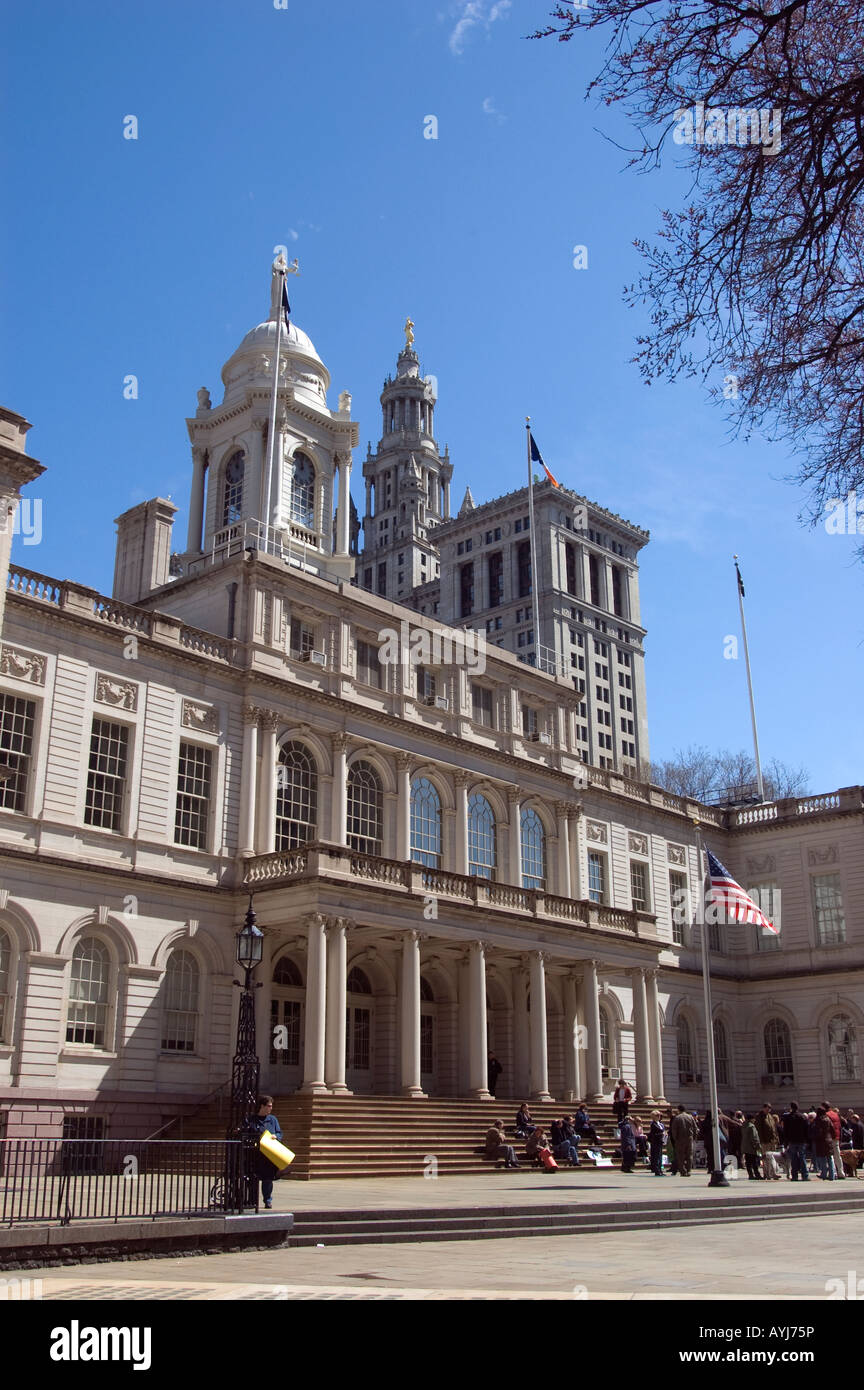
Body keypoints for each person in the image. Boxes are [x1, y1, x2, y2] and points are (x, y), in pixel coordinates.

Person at [249, 1095, 283, 1209]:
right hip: (256, 1154)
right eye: (268, 1106)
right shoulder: (252, 1120)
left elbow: (279, 1133)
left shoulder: (273, 1119)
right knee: (253, 1178)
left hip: (269, 1154)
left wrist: (275, 1136)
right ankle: (251, 1200)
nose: (270, 1108)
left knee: (268, 1179)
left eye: (271, 1106)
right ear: (262, 1106)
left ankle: (267, 1200)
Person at [781, 1102, 810, 1182]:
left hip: (792, 1140)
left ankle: (794, 1175)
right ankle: (805, 1175)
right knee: (802, 1158)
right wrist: (807, 1140)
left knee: (793, 1158)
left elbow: (785, 1130)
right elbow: (806, 1129)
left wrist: (786, 1141)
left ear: (791, 1107)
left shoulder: (788, 1117)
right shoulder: (802, 1117)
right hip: (801, 1140)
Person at [755, 1103, 782, 1180]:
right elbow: (758, 1130)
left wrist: (776, 1138)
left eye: (769, 1109)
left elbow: (774, 1128)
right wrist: (760, 1141)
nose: (768, 1110)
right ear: (763, 1108)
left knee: (772, 1158)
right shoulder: (759, 1117)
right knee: (765, 1159)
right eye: (767, 1108)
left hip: (772, 1141)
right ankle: (766, 1174)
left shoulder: (770, 1116)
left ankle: (773, 1173)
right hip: (764, 1141)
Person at [670, 1104, 698, 1176]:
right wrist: (694, 1137)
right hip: (689, 1138)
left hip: (680, 1139)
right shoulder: (690, 1117)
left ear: (678, 1109)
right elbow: (695, 1128)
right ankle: (689, 1170)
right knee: (689, 1155)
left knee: (680, 1155)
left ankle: (683, 1171)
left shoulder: (677, 1118)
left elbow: (674, 1130)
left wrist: (675, 1138)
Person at [812, 1106, 836, 1180]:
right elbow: (832, 1129)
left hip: (821, 1141)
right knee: (829, 1158)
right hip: (829, 1140)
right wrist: (833, 1137)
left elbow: (816, 1131)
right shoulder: (828, 1119)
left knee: (822, 1159)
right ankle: (832, 1175)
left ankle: (824, 1174)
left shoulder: (818, 1120)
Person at [824, 1101, 846, 1179]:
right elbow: (839, 1127)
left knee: (830, 1156)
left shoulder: (826, 1115)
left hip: (829, 1137)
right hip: (836, 1137)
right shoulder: (836, 1114)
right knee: (838, 1155)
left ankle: (834, 1173)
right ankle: (841, 1172)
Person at [741, 1114, 764, 1180]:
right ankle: (757, 1174)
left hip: (745, 1147)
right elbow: (754, 1137)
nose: (755, 1120)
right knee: (754, 1162)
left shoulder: (744, 1126)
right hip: (752, 1147)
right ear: (751, 1119)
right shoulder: (751, 1126)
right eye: (754, 1119)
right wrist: (758, 1146)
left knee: (748, 1162)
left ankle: (750, 1175)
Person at [648, 1111, 666, 1176]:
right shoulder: (653, 1124)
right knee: (656, 1156)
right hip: (655, 1141)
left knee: (660, 1156)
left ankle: (660, 1169)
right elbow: (654, 1134)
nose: (659, 1116)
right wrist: (661, 1134)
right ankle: (657, 1170)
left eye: (659, 1115)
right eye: (657, 1115)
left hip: (660, 1141)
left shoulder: (660, 1123)